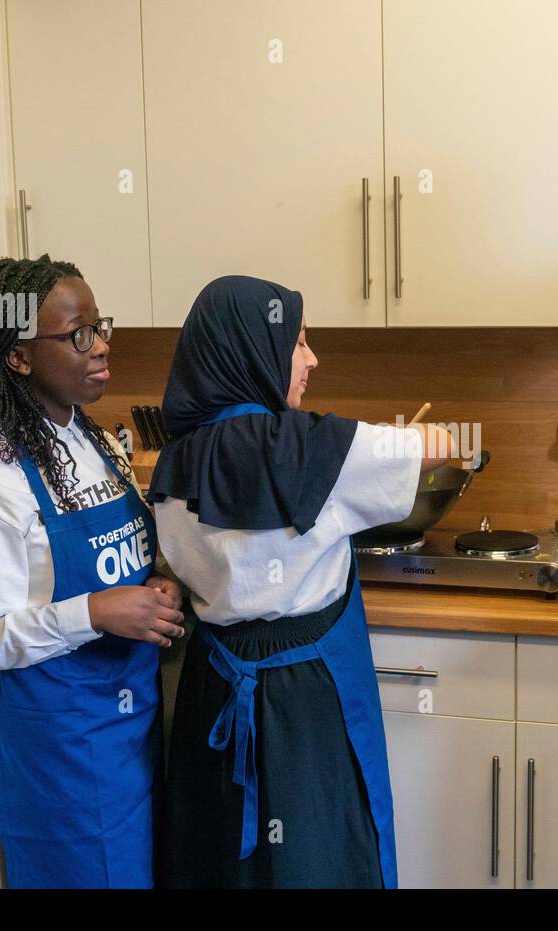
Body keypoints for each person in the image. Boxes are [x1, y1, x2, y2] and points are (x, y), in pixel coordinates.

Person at [152, 275, 454, 888]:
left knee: (226, 863)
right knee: (321, 858)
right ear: (256, 350)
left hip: (214, 689)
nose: (312, 358)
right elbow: (443, 444)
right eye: (299, 341)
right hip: (309, 699)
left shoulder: (171, 462)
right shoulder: (316, 449)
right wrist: (363, 439)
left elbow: (181, 569)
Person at [0, 255, 185, 888]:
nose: (101, 346)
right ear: (18, 356)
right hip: (63, 756)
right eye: (78, 335)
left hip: (132, 727)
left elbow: (126, 557)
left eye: (101, 327)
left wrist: (157, 582)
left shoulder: (97, 444)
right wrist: (96, 613)